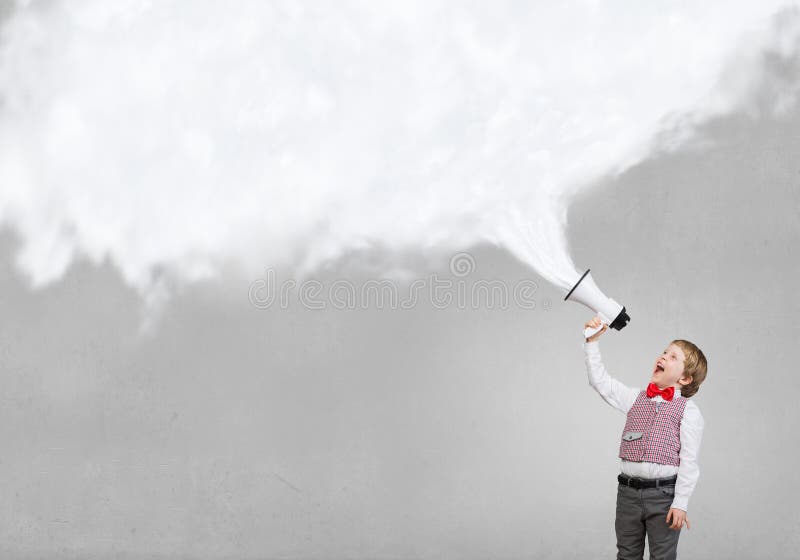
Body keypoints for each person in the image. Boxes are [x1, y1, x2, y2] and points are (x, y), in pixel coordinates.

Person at [583, 315, 707, 560]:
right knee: (627, 554)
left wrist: (680, 502)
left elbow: (689, 460)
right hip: (627, 493)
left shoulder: (688, 411)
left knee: (662, 556)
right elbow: (601, 382)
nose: (663, 357)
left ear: (684, 379)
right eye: (664, 352)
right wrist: (591, 343)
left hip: (663, 496)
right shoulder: (635, 398)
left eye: (673, 357)